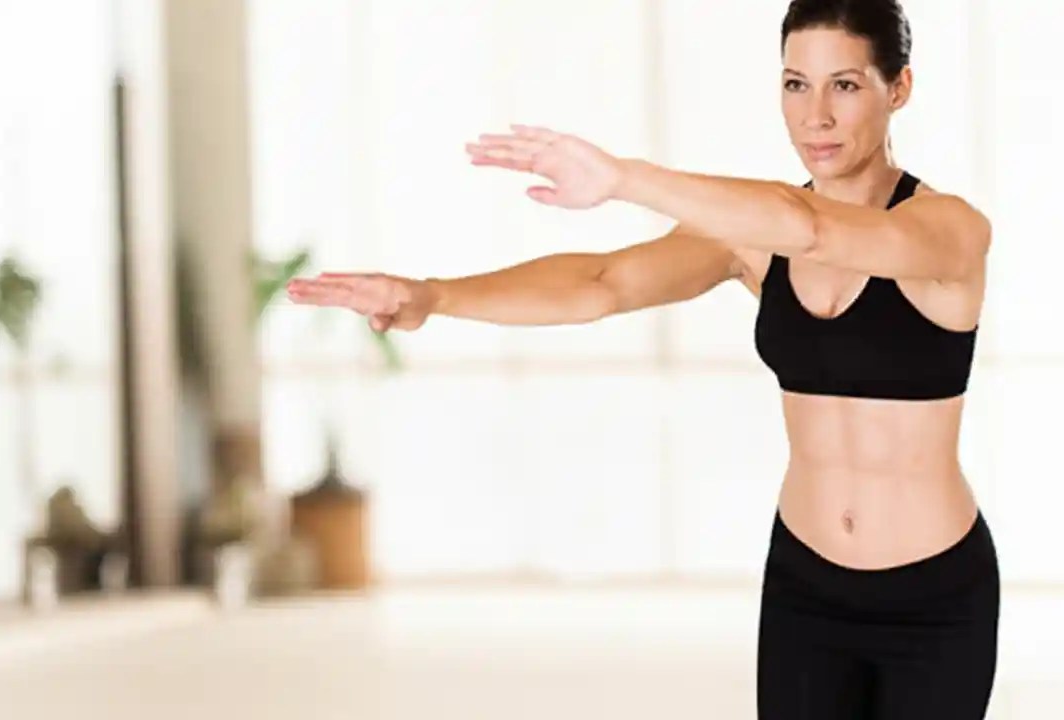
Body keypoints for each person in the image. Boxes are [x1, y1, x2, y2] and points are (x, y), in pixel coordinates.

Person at [286, 0, 999, 717]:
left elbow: (811, 229)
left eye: (843, 85)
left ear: (898, 88)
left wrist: (623, 178)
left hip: (932, 599)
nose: (815, 115)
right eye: (794, 84)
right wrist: (433, 295)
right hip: (805, 585)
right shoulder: (749, 237)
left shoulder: (947, 232)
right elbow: (603, 282)